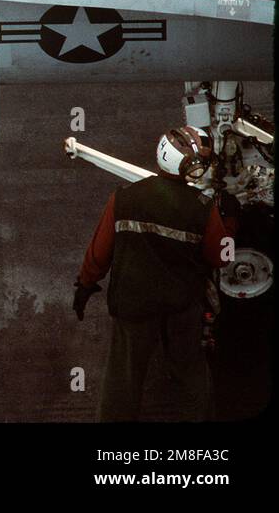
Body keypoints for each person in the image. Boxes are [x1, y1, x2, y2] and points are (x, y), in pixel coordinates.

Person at [73, 126, 238, 421]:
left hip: (132, 306)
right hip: (181, 308)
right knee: (190, 373)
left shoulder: (123, 197)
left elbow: (98, 252)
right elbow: (222, 258)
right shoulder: (202, 208)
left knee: (123, 380)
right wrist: (230, 222)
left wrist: (85, 285)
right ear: (188, 168)